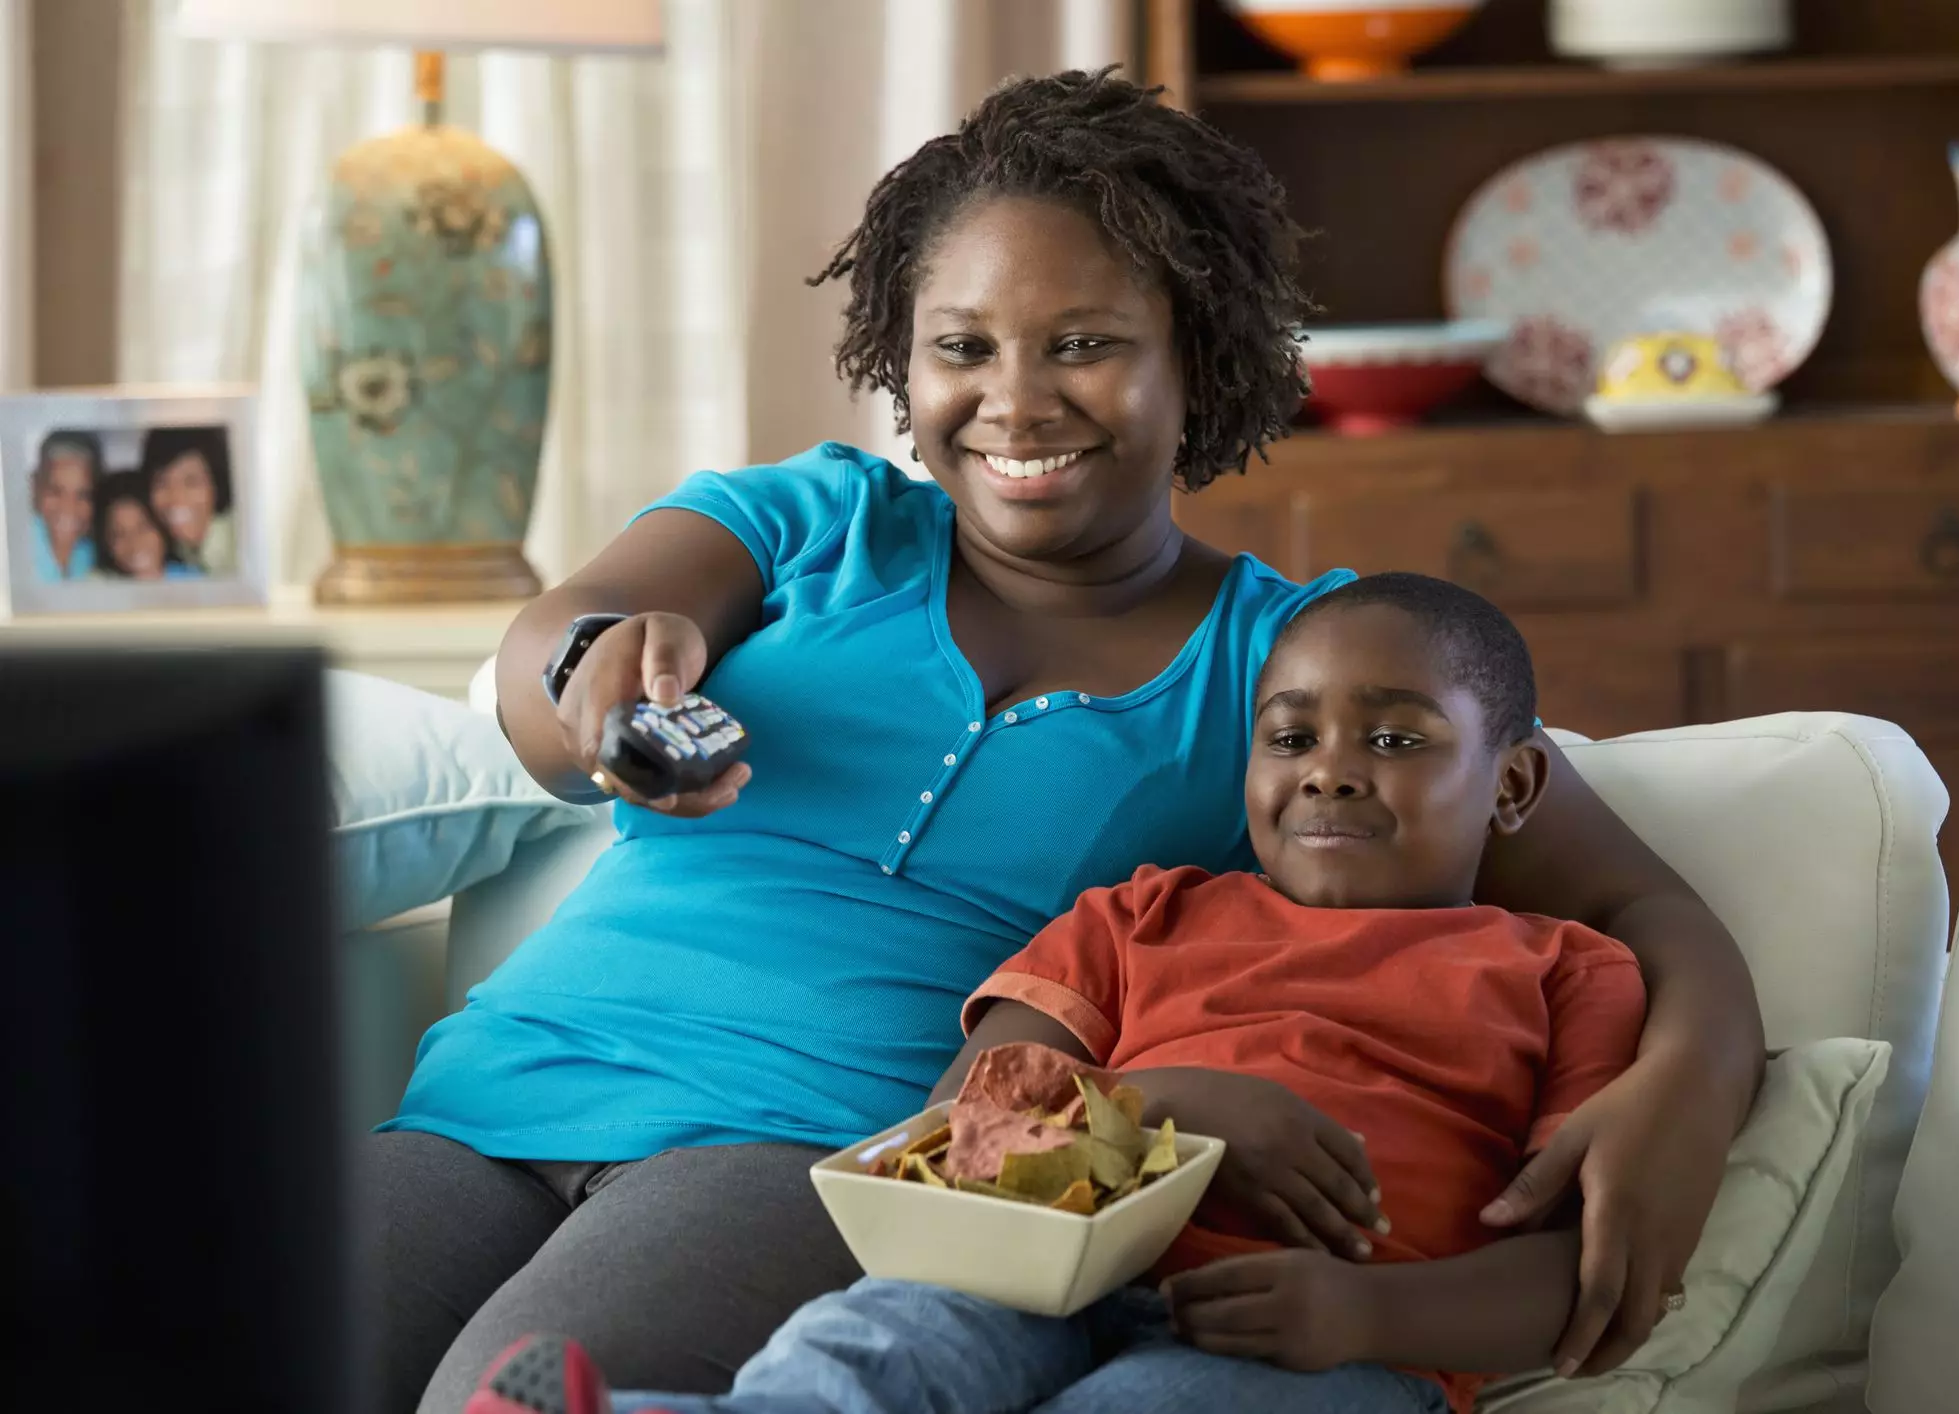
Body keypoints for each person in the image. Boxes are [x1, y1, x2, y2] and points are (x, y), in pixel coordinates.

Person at [367, 68, 1763, 1414]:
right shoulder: (807, 521)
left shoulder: (1302, 667)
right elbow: (548, 670)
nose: (1016, 400)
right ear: (901, 366)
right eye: (962, 347)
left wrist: (1685, 1098)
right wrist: (596, 675)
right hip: (500, 1085)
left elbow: (1633, 900)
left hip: (805, 1154)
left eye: (1084, 343)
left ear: (1198, 356)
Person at [471, 572, 1650, 1414]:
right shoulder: (1142, 914)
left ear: (1514, 783)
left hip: (1313, 1352)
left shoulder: (1558, 970)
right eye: (1290, 738)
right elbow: (951, 1134)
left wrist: (1364, 1322)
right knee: (879, 1344)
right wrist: (1165, 1104)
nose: (1329, 766)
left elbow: (1568, 1267)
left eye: (1394, 743)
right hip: (1038, 1269)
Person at [140, 425, 237, 576]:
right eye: (161, 482)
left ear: (217, 485)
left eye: (191, 482)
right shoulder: (180, 549)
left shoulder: (238, 550)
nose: (175, 498)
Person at [92, 471, 200, 581]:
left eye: (142, 528)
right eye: (119, 534)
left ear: (161, 526)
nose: (134, 542)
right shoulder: (102, 589)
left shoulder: (194, 581)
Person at [29, 431, 102, 582]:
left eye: (83, 495)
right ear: (35, 487)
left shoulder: (89, 554)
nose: (69, 507)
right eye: (55, 492)